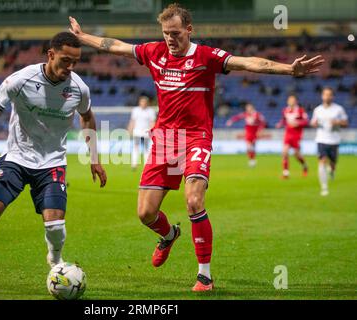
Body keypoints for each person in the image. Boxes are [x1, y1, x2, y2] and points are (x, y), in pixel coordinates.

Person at [69, 3, 323, 292]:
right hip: (165, 140)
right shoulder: (154, 52)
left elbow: (249, 62)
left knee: (193, 201)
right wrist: (82, 37)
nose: (170, 39)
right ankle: (169, 235)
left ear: (189, 30)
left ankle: (205, 276)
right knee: (145, 214)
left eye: (176, 33)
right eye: (166, 33)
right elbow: (114, 46)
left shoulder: (206, 56)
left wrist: (290, 70)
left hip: (196, 138)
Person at [0, 32, 107, 297]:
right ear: (51, 55)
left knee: (55, 224)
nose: (70, 67)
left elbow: (88, 118)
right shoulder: (21, 80)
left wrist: (95, 159)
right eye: (66, 61)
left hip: (52, 162)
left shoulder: (79, 88)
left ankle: (55, 261)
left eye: (75, 62)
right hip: (16, 158)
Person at [310, 87, 348, 196]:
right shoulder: (318, 110)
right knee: (322, 161)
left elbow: (345, 123)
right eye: (325, 94)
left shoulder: (338, 109)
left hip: (334, 140)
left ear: (332, 96)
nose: (327, 97)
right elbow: (313, 123)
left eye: (329, 95)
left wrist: (338, 122)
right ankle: (324, 187)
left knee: (332, 164)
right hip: (321, 139)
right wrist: (315, 124)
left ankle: (331, 170)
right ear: (322, 96)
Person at [276, 95, 309, 179]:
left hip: (296, 135)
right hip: (288, 134)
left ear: (296, 101)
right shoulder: (285, 110)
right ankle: (286, 173)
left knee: (296, 155)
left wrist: (298, 123)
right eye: (290, 100)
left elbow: (306, 121)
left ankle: (304, 165)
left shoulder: (300, 110)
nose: (291, 102)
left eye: (293, 100)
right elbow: (284, 119)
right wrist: (280, 124)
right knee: (284, 152)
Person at [226, 103, 266, 167]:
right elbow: (238, 117)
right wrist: (231, 121)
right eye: (247, 108)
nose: (247, 109)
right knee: (248, 147)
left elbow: (263, 122)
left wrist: (260, 130)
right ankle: (251, 160)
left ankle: (252, 159)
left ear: (252, 108)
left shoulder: (257, 114)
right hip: (248, 131)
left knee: (252, 147)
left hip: (254, 132)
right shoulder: (246, 114)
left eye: (249, 107)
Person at [127, 96, 156, 170]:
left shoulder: (151, 111)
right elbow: (132, 121)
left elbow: (152, 122)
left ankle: (146, 165)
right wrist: (130, 129)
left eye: (144, 102)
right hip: (137, 131)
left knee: (147, 149)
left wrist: (152, 132)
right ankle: (134, 164)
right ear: (139, 102)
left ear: (147, 103)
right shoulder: (135, 110)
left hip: (146, 132)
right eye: (142, 102)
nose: (143, 103)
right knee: (135, 148)